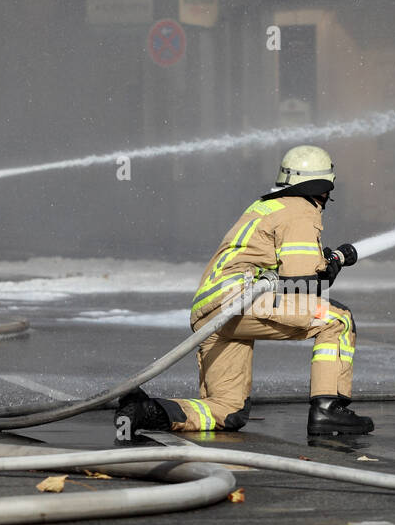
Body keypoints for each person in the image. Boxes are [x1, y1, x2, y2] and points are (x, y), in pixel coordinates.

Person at [116, 145, 372, 438]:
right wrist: (332, 267)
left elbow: (283, 268)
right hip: (241, 299)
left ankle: (146, 411)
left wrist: (325, 263)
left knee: (228, 410)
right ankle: (329, 410)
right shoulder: (300, 208)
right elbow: (303, 282)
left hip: (211, 310)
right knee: (338, 319)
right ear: (322, 186)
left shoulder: (266, 206)